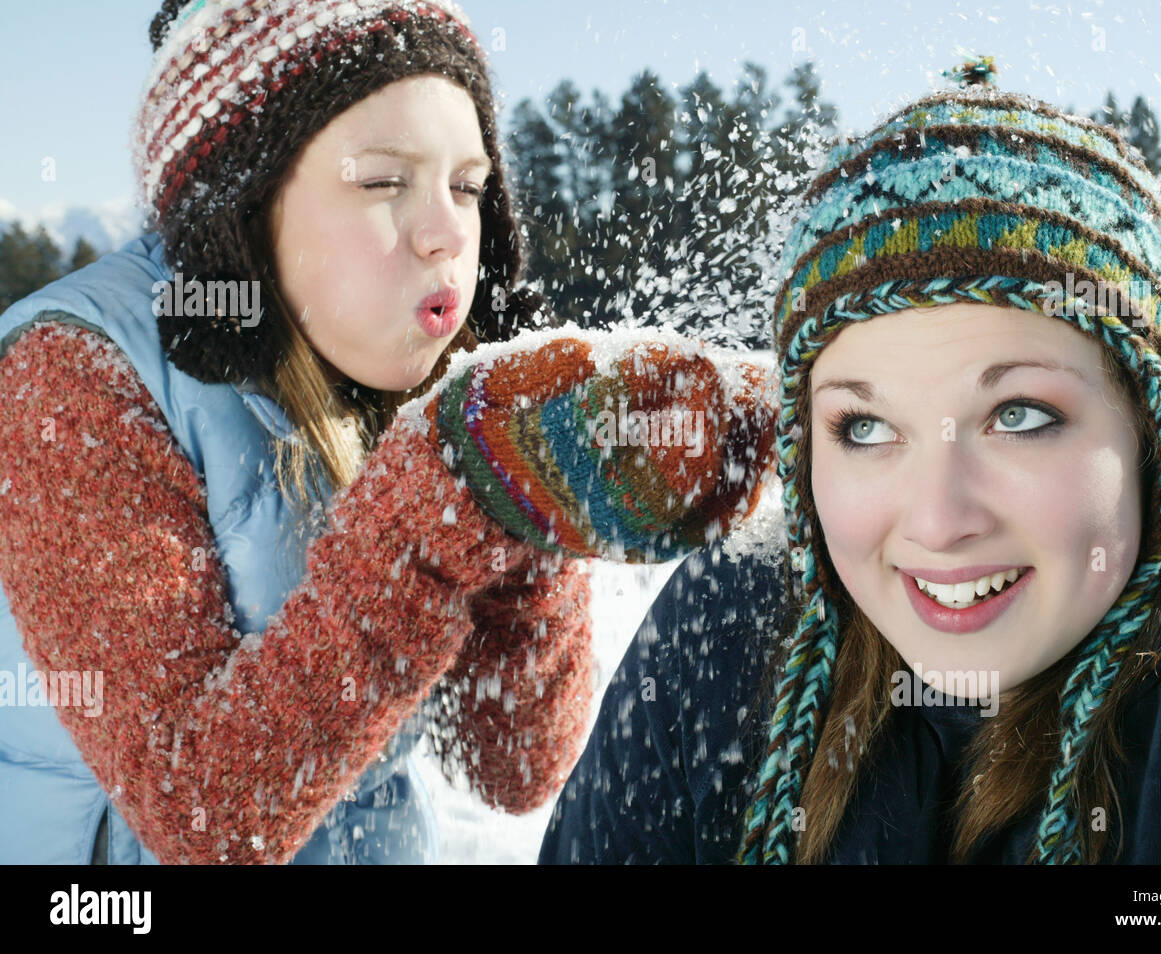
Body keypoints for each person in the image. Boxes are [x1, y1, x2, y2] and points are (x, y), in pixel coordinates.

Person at [0, 0, 776, 865]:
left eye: (469, 186)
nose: (449, 233)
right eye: (381, 181)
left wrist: (537, 502)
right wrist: (426, 523)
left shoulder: (414, 370)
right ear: (240, 208)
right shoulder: (72, 373)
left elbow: (515, 769)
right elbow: (200, 815)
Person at [539, 62, 1161, 864]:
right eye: (864, 427)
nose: (937, 521)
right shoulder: (725, 637)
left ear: (1154, 434)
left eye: (1019, 417)